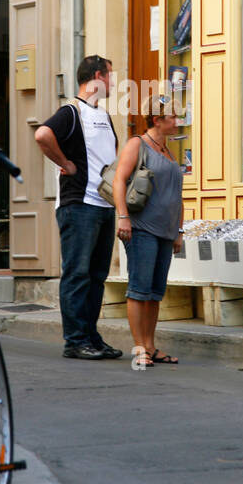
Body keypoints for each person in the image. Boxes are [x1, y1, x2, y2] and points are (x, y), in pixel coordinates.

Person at [34, 56, 124, 360]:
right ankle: (75, 341)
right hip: (79, 205)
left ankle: (91, 336)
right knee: (77, 274)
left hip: (103, 205)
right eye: (110, 76)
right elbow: (42, 135)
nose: (112, 82)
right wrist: (65, 163)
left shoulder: (104, 115)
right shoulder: (72, 112)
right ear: (97, 76)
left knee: (97, 276)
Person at [112, 92, 186, 369]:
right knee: (139, 289)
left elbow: (177, 195)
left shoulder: (168, 150)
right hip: (141, 227)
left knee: (155, 291)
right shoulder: (138, 144)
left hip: (166, 231)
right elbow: (119, 180)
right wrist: (123, 217)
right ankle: (139, 347)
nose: (178, 121)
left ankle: (151, 346)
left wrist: (179, 230)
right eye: (173, 117)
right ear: (157, 120)